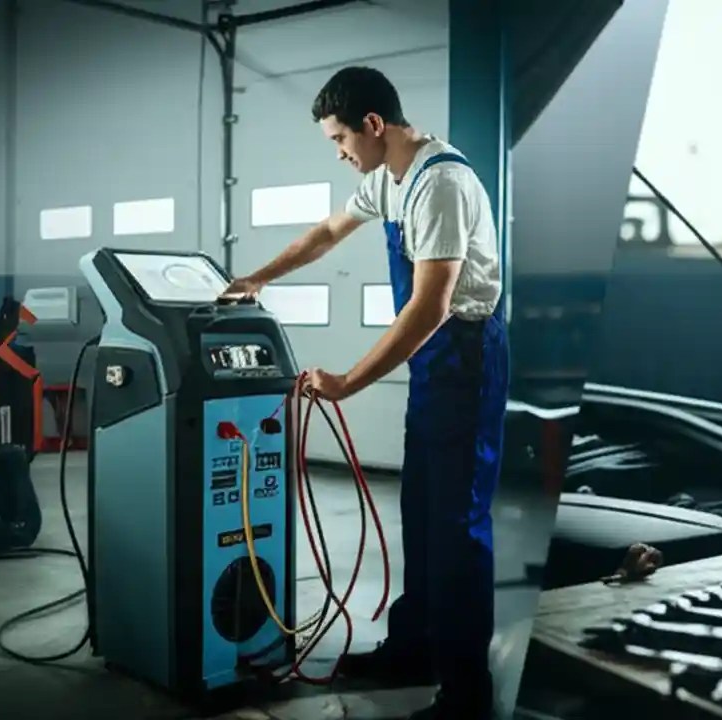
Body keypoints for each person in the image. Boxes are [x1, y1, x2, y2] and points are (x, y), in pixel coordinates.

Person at [222, 66, 507, 720]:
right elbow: (325, 235)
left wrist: (349, 382)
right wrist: (258, 277)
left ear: (374, 125)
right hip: (436, 361)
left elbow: (430, 306)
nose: (340, 153)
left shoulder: (442, 184)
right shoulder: (387, 178)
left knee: (459, 528)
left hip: (465, 354)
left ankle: (467, 696)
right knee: (422, 512)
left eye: (340, 139)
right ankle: (413, 649)